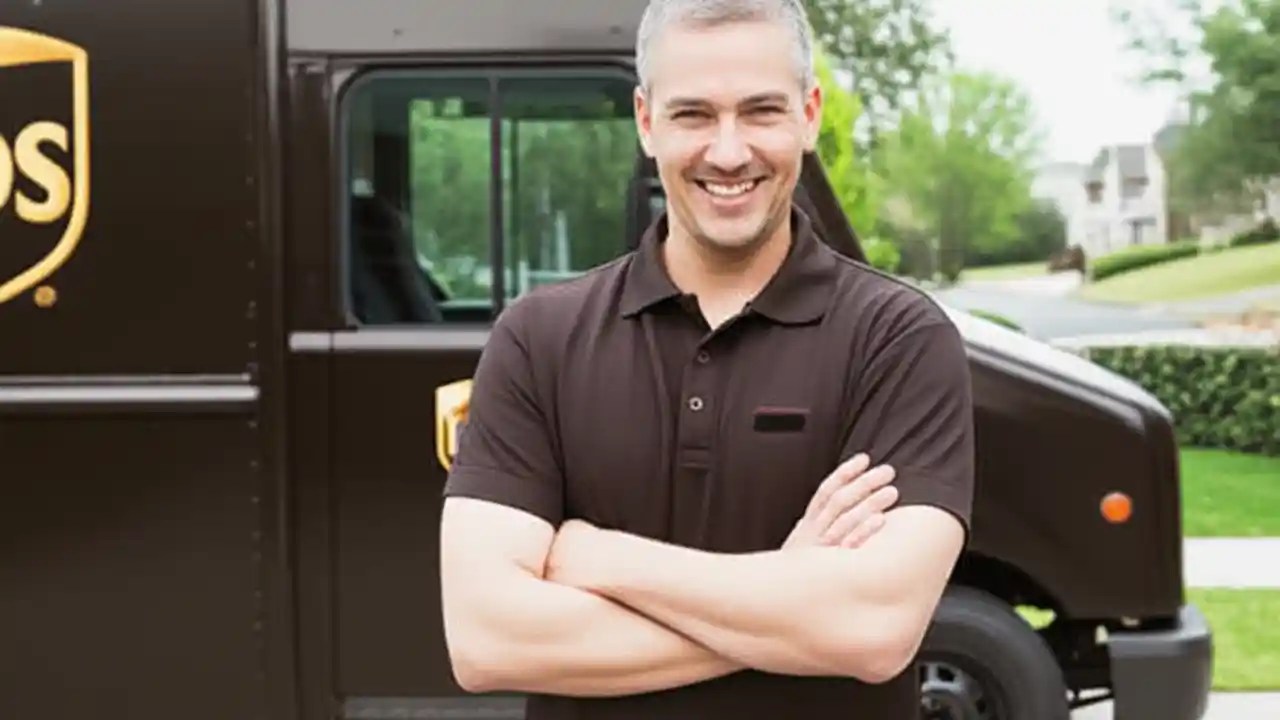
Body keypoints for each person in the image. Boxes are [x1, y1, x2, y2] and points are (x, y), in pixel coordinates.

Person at [438, 0, 975, 718]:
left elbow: (874, 632)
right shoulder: (538, 338)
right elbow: (487, 642)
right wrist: (793, 600)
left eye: (760, 111)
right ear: (645, 119)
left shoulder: (899, 339)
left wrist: (605, 559)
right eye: (693, 114)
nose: (728, 152)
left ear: (809, 114)